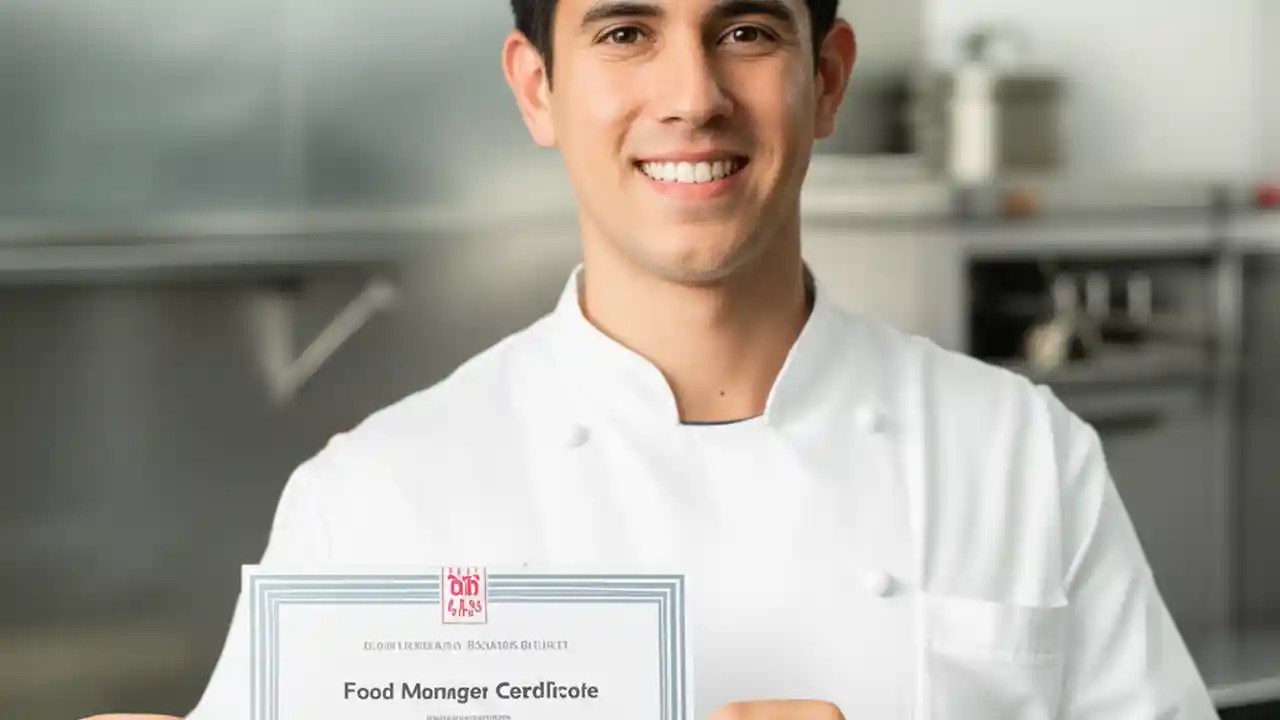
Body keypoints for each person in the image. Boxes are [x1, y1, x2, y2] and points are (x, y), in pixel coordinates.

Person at [89, 0, 1218, 718]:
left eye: (743, 31)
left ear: (824, 79)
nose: (691, 96)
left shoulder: (1019, 454)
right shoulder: (374, 497)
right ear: (537, 86)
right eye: (627, 30)